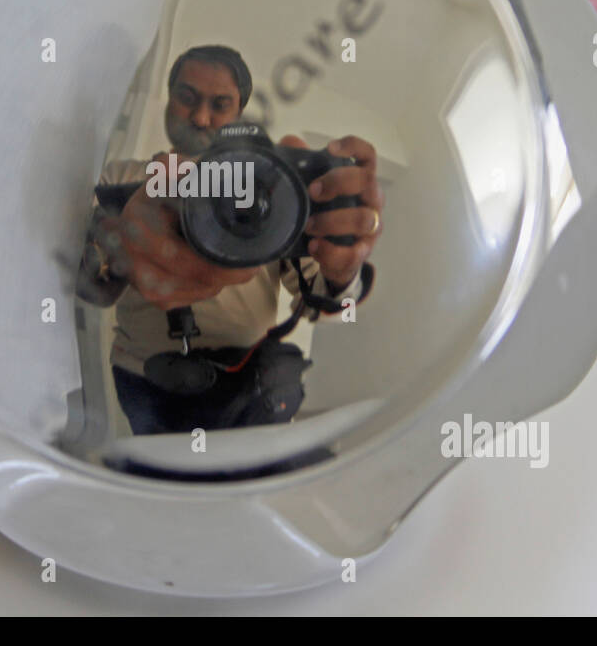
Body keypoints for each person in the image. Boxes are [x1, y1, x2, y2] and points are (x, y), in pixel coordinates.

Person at [78, 44, 385, 435]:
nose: (201, 116)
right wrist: (121, 241)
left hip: (249, 382)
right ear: (169, 100)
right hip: (144, 378)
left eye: (219, 104)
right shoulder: (122, 177)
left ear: (238, 114)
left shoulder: (271, 188)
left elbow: (321, 302)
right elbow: (89, 288)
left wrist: (344, 268)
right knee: (156, 486)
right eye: (187, 97)